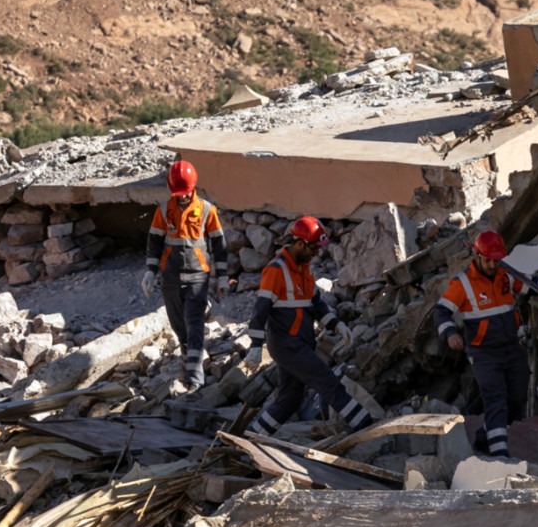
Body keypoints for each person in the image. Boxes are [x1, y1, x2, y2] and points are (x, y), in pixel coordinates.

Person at [432, 230, 538, 459]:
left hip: (512, 348)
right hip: (483, 353)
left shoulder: (506, 276)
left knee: (517, 399)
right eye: (488, 260)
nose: (493, 264)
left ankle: (485, 436)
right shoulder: (462, 283)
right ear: (477, 255)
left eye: (496, 259)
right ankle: (500, 456)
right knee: (495, 399)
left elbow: (533, 283)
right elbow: (441, 311)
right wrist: (450, 333)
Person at [244, 217, 371, 435]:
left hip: (300, 343)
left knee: (289, 399)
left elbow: (317, 305)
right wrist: (255, 345)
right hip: (287, 345)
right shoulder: (276, 270)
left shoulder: (305, 270)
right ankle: (367, 426)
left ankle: (251, 437)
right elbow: (260, 311)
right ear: (300, 244)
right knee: (328, 383)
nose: (316, 254)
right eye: (313, 249)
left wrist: (337, 325)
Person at [141, 160, 232, 388]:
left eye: (185, 193)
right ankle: (188, 364)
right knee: (180, 328)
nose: (181, 197)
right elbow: (154, 242)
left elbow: (219, 246)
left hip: (197, 277)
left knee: (195, 326)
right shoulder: (163, 211)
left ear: (193, 188)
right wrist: (150, 272)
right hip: (170, 279)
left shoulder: (207, 210)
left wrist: (222, 277)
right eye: (178, 194)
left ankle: (194, 383)